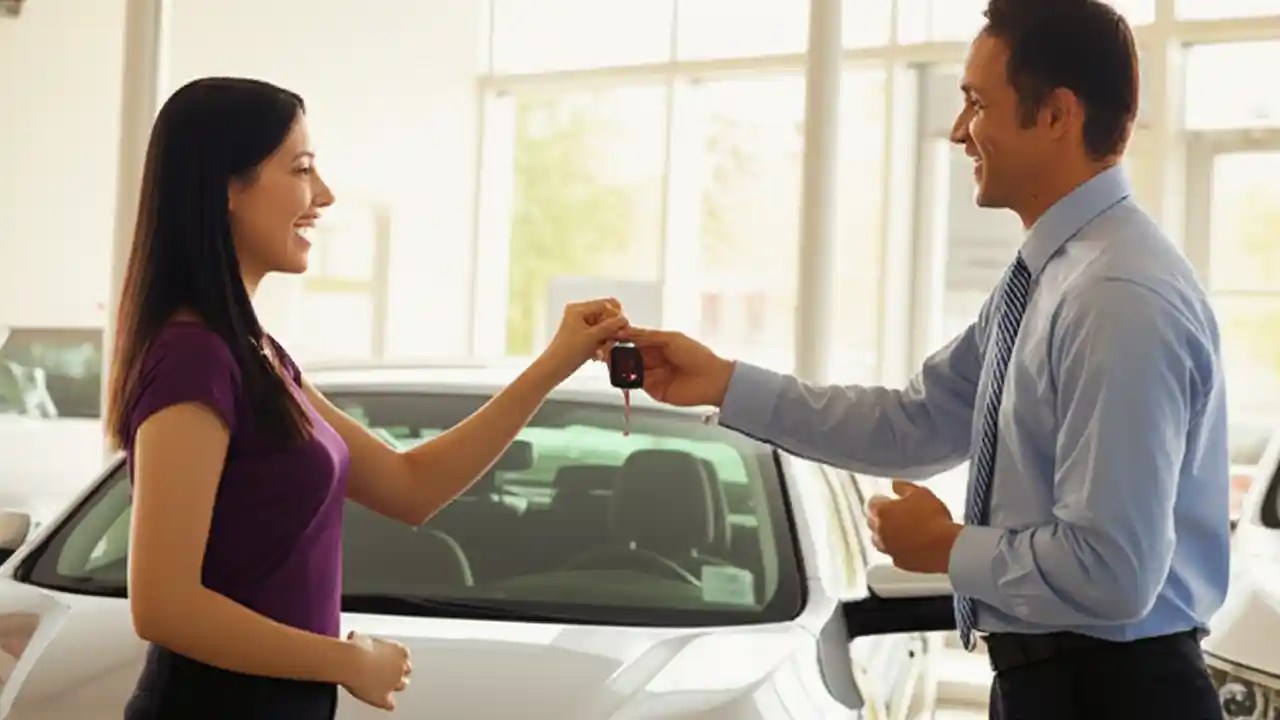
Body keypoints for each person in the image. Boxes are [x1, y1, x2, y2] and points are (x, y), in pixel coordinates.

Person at [623, 1, 1228, 718]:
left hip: (1114, 693)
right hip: (1061, 685)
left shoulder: (1115, 298)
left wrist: (949, 548)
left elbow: (1115, 571)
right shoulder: (1051, 277)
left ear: (1057, 115)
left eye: (977, 102)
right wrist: (723, 380)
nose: (957, 132)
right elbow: (915, 423)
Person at [105, 77, 628, 720]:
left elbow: (411, 485)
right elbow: (163, 605)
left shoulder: (257, 353)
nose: (323, 195)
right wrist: (346, 660)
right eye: (301, 170)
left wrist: (552, 366)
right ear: (226, 188)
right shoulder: (194, 359)